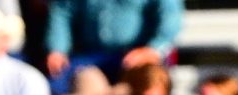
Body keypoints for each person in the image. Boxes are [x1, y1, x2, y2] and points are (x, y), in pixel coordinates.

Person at [44, 0, 182, 81]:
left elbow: (169, 17)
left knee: (145, 91)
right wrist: (57, 49)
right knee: (58, 85)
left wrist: (152, 50)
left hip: (134, 56)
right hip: (89, 55)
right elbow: (62, 10)